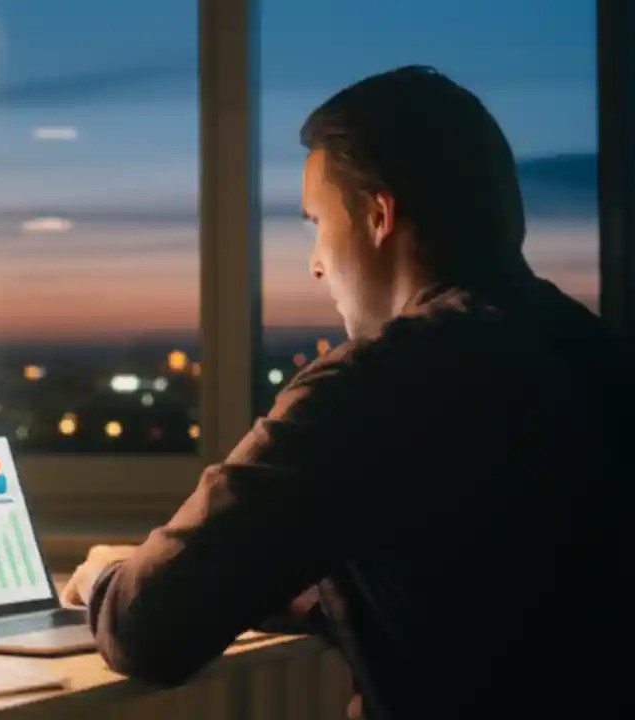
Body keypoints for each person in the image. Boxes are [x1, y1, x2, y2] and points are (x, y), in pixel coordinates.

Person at [62, 66, 630, 720]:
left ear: (379, 215)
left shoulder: (373, 386)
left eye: (316, 223)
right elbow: (478, 588)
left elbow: (148, 626)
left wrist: (107, 579)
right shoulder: (593, 353)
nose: (316, 262)